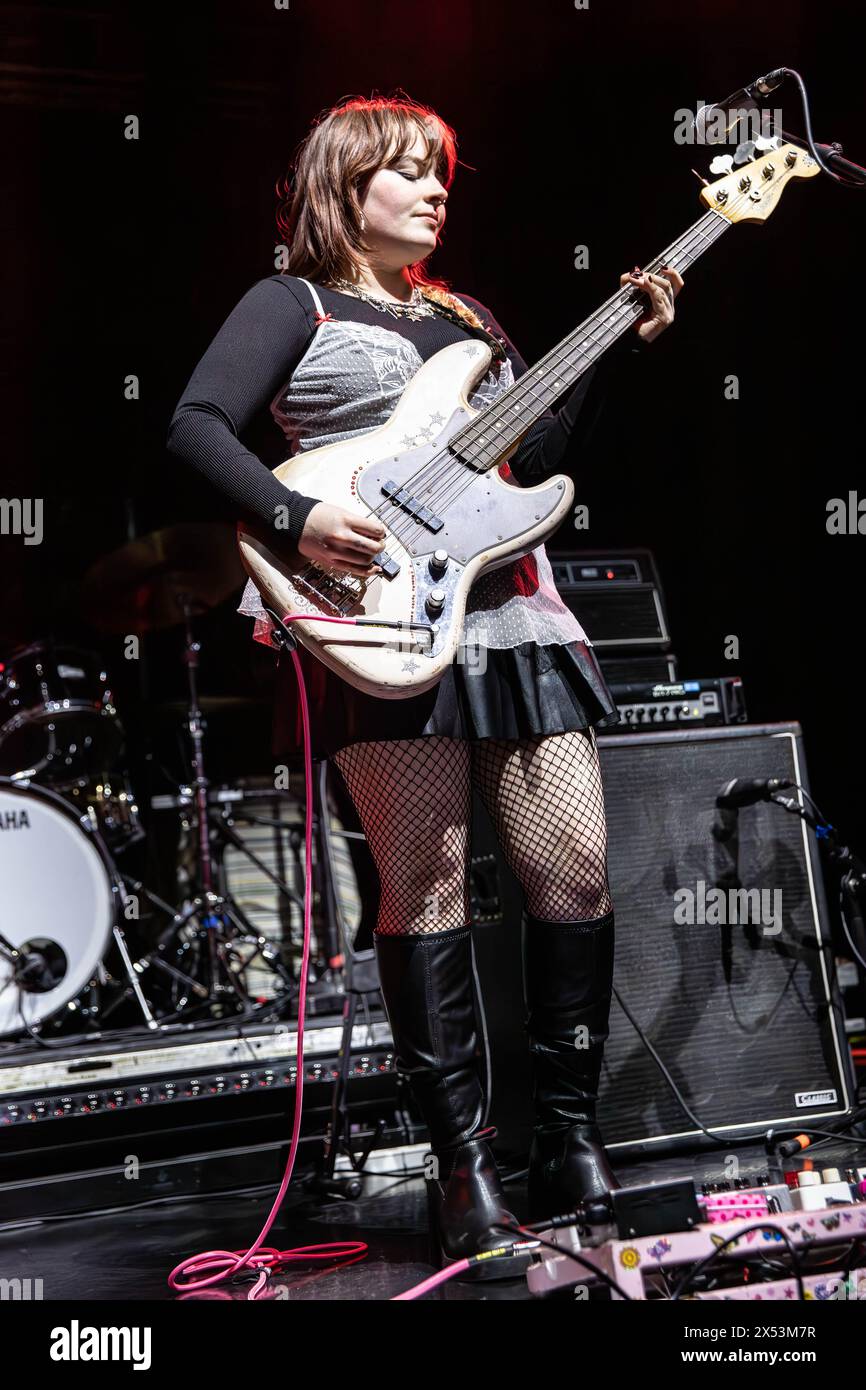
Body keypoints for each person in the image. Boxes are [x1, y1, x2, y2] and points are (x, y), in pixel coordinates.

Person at [167, 92, 682, 1277]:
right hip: (380, 615)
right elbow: (195, 425)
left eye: (441, 172)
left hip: (513, 608)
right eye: (407, 172)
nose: (436, 190)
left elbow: (531, 467)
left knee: (574, 867)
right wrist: (298, 517)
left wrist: (613, 352)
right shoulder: (287, 301)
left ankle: (565, 1140)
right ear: (346, 189)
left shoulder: (467, 315)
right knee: (430, 886)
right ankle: (463, 1165)